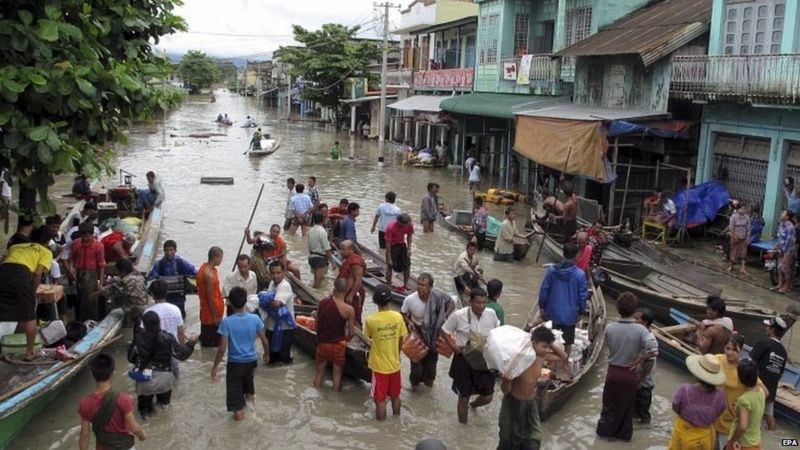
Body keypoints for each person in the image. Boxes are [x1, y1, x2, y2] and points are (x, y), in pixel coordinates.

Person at [596, 292, 655, 442]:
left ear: (618, 309)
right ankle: (623, 436)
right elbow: (654, 350)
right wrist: (640, 359)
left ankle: (605, 435)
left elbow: (608, 346)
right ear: (634, 310)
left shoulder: (610, 328)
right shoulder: (641, 330)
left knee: (609, 405)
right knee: (626, 408)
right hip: (630, 373)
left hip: (613, 372)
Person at [498, 327, 567, 450]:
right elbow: (505, 391)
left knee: (534, 441)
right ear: (534, 343)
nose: (547, 350)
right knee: (506, 442)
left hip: (531, 404)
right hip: (512, 404)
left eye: (548, 347)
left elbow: (563, 356)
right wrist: (507, 380)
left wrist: (549, 341)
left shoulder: (541, 357)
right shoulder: (519, 359)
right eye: (544, 346)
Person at [210, 286, 270, 421]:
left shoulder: (227, 322)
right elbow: (265, 341)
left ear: (230, 303)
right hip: (251, 362)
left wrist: (215, 367)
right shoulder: (255, 319)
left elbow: (222, 349)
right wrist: (266, 354)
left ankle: (240, 428)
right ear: (246, 302)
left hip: (235, 364)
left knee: (237, 405)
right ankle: (253, 418)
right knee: (249, 392)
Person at [442, 288, 500, 424]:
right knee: (463, 397)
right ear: (470, 301)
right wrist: (453, 346)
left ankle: (473, 405)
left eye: (484, 303)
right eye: (478, 303)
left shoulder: (491, 314)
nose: (481, 306)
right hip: (464, 359)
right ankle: (463, 429)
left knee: (488, 396)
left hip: (484, 358)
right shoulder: (459, 315)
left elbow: (498, 332)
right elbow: (444, 331)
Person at [132, 311, 197, 419]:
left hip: (145, 380)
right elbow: (181, 355)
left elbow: (131, 358)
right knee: (164, 409)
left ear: (144, 324)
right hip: (164, 379)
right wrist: (191, 343)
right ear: (159, 323)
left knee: (144, 414)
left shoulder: (138, 338)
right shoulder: (168, 337)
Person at [0, 226, 52, 360]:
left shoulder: (15, 247)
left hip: (3, 273)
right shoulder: (45, 252)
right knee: (29, 316)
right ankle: (29, 352)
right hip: (21, 275)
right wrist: (32, 293)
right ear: (47, 242)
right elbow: (38, 273)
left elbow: (2, 262)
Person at [538, 242, 587, 376]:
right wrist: (581, 311)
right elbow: (582, 296)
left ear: (563, 254)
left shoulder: (552, 271)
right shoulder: (580, 274)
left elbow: (544, 290)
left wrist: (542, 306)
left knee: (551, 339)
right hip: (570, 314)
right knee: (568, 341)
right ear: (576, 256)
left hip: (552, 311)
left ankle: (550, 363)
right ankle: (565, 364)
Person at [79, 354, 146, 450]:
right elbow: (134, 428)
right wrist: (142, 436)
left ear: (92, 374)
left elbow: (85, 434)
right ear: (113, 373)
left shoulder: (85, 404)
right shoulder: (123, 399)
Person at [400, 273, 453, 388]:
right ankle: (414, 391)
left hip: (433, 336)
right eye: (418, 284)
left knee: (430, 373)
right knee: (416, 371)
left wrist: (445, 315)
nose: (419, 287)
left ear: (430, 287)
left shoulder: (438, 296)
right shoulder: (410, 299)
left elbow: (450, 302)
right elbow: (403, 313)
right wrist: (409, 322)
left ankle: (428, 392)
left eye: (423, 285)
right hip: (417, 335)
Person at [364, 284, 408, 420]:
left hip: (379, 367)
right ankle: (396, 421)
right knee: (395, 396)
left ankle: (381, 428)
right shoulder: (398, 317)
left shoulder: (371, 320)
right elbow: (401, 339)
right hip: (395, 364)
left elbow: (368, 338)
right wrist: (397, 356)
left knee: (380, 399)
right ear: (390, 300)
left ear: (375, 301)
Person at [667, 354, 728, 450]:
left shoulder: (684, 389)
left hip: (682, 434)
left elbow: (675, 407)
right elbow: (718, 414)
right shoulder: (720, 396)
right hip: (704, 438)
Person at [713, 333, 757, 449]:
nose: (729, 352)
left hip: (730, 423)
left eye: (734, 350)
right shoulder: (717, 360)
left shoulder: (744, 369)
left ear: (741, 350)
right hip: (712, 418)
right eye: (727, 348)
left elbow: (762, 392)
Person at [314, 278, 355, 391]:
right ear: (347, 290)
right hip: (339, 345)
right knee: (337, 375)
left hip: (323, 343)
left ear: (334, 289)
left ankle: (316, 394)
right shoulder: (349, 310)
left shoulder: (323, 303)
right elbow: (351, 333)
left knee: (319, 373)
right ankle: (335, 398)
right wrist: (345, 341)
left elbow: (316, 324)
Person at [749, 316, 787, 431]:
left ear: (772, 329)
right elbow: (780, 374)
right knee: (769, 416)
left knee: (748, 415)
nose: (766, 328)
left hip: (757, 387)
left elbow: (750, 363)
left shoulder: (764, 343)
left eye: (768, 326)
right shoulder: (783, 351)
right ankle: (775, 435)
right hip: (771, 390)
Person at [147, 240, 197, 319]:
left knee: (180, 319)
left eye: (171, 250)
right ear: (164, 251)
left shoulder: (181, 263)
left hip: (179, 300)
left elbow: (195, 273)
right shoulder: (159, 265)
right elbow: (151, 280)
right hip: (164, 300)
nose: (169, 253)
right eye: (167, 250)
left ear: (175, 250)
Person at [67, 222, 106, 321]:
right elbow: (72, 259)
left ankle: (93, 321)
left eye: (87, 236)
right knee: (80, 298)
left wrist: (100, 283)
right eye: (83, 236)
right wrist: (71, 268)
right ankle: (81, 321)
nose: (85, 239)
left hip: (92, 274)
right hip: (79, 273)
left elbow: (101, 265)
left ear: (92, 234)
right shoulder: (76, 243)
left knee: (91, 300)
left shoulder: (99, 246)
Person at [725, 360, 766, 450]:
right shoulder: (761, 391)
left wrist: (732, 441)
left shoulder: (744, 399)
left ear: (740, 378)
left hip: (742, 444)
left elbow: (743, 426)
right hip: (756, 441)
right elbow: (767, 393)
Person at [260, 261, 296, 364]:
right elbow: (270, 299)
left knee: (283, 359)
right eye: (273, 273)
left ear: (283, 272)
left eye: (278, 273)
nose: (275, 276)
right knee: (272, 358)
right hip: (272, 325)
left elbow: (276, 303)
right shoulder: (272, 283)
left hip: (284, 328)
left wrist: (262, 300)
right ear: (269, 273)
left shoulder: (284, 285)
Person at [102, 259, 151, 325]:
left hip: (137, 309)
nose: (116, 273)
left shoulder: (125, 282)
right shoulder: (139, 276)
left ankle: (127, 325)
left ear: (122, 271)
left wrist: (100, 290)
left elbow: (109, 292)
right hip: (147, 304)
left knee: (111, 304)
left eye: (117, 271)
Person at [633, 308, 659, 425]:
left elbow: (650, 362)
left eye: (637, 319)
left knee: (643, 413)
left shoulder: (649, 339)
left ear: (645, 322)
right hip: (638, 379)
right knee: (634, 411)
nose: (634, 321)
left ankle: (644, 429)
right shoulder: (641, 335)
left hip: (644, 383)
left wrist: (640, 379)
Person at [197, 247, 225, 347]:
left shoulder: (205, 268)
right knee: (213, 345)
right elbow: (210, 298)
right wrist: (215, 316)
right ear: (215, 257)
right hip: (211, 315)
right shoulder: (208, 274)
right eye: (221, 258)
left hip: (208, 311)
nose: (221, 260)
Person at [144, 279, 186, 345]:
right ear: (167, 292)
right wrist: (181, 348)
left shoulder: (148, 312)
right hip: (173, 348)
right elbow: (181, 333)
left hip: (155, 349)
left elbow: (144, 333)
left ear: (152, 294)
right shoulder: (175, 309)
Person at [338, 240, 366, 325]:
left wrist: (351, 294)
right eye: (340, 249)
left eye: (343, 249)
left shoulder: (356, 262)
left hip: (354, 294)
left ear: (351, 250)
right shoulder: (348, 260)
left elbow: (358, 279)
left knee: (355, 317)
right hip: (345, 292)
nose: (341, 251)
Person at [385, 214, 414, 290]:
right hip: (392, 246)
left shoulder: (409, 225)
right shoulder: (390, 227)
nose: (404, 227)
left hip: (402, 245)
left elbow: (409, 235)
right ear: (398, 222)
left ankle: (405, 284)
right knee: (390, 265)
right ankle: (388, 284)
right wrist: (389, 258)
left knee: (407, 265)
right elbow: (387, 243)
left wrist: (409, 249)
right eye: (402, 225)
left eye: (406, 225)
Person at [308, 212, 332, 289]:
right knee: (319, 279)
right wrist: (332, 261)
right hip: (320, 259)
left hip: (312, 257)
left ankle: (314, 290)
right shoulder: (322, 231)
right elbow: (327, 248)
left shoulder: (311, 230)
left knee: (316, 278)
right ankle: (316, 293)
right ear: (323, 220)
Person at [774, 210, 796, 293]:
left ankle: (787, 285)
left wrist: (784, 250)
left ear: (787, 217)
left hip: (788, 250)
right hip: (781, 249)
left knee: (784, 268)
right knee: (779, 267)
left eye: (783, 214)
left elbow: (789, 241)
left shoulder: (790, 227)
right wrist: (777, 246)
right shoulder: (781, 224)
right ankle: (780, 284)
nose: (781, 214)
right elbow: (779, 237)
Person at [728, 202, 751, 274]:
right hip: (735, 237)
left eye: (744, 209)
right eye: (741, 209)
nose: (743, 210)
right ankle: (731, 266)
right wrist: (734, 235)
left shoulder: (747, 217)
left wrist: (748, 237)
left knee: (743, 252)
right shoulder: (734, 217)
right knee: (733, 252)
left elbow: (749, 228)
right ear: (738, 209)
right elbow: (731, 227)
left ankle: (743, 268)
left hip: (744, 237)